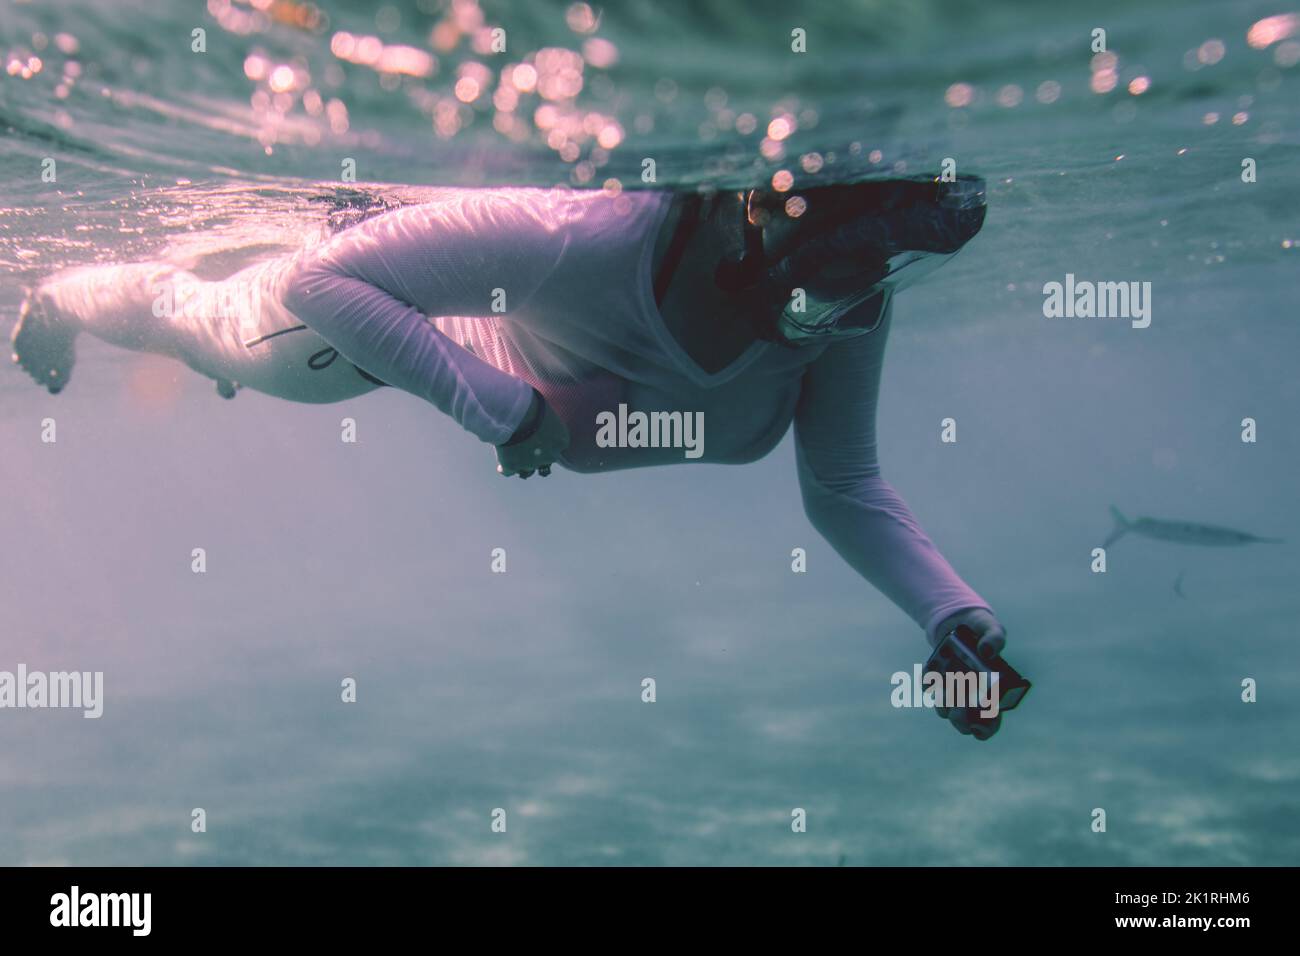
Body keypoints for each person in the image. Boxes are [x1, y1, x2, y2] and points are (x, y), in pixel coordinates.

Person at [11, 176, 1009, 738]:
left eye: (866, 284)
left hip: (441, 319)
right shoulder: (585, 235)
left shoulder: (846, 300)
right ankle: (59, 297)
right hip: (367, 335)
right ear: (753, 233)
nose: (831, 316)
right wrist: (503, 411)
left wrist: (954, 618)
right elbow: (324, 286)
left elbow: (842, 485)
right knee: (196, 321)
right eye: (818, 289)